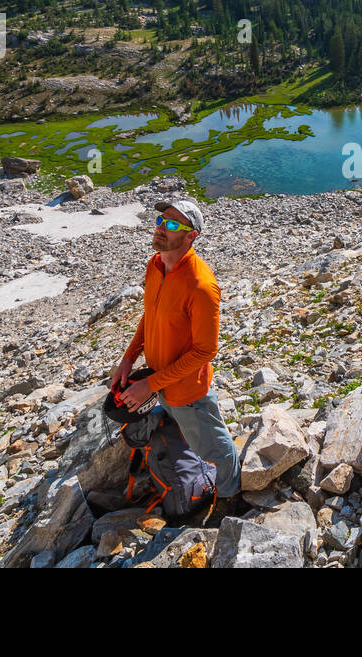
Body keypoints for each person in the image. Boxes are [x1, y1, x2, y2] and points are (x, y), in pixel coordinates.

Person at [113, 199, 241, 502]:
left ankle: (230, 496)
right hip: (159, 382)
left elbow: (205, 351)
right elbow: (150, 314)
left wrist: (149, 385)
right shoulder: (156, 265)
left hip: (187, 391)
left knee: (216, 447)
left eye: (172, 225)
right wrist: (128, 359)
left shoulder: (200, 285)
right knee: (197, 438)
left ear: (190, 236)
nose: (161, 228)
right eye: (161, 220)